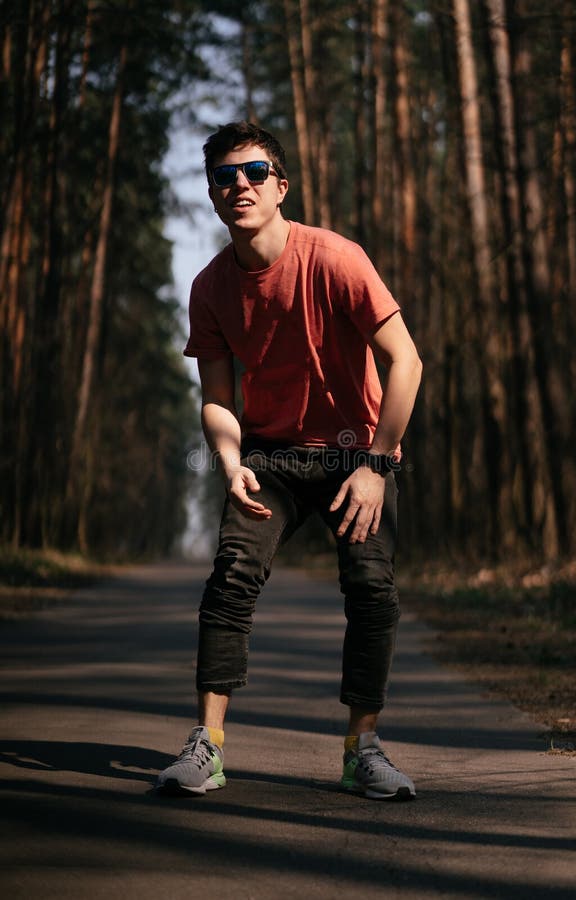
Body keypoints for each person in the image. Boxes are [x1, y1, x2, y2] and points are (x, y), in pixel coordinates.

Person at [157, 122, 422, 801]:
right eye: (224, 177)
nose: (238, 185)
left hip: (355, 450)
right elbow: (218, 400)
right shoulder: (212, 287)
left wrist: (378, 463)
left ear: (280, 184)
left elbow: (406, 361)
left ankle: (363, 750)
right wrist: (228, 459)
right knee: (231, 577)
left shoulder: (334, 257)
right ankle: (206, 747)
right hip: (271, 456)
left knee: (371, 589)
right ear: (214, 195)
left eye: (252, 172)